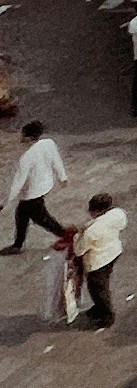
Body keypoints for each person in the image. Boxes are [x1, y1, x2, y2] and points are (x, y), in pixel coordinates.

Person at [66, 192, 125, 328]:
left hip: (98, 261)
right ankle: (100, 308)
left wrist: (77, 236)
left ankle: (106, 316)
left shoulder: (92, 232)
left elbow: (79, 250)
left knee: (97, 288)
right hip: (113, 251)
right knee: (103, 283)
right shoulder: (117, 214)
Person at [8, 118, 63, 252]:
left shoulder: (26, 157)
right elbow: (56, 159)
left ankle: (65, 235)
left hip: (33, 192)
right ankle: (18, 244)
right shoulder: (48, 143)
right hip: (45, 185)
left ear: (27, 137)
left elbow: (18, 182)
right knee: (22, 214)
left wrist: (5, 202)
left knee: (41, 218)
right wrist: (62, 176)